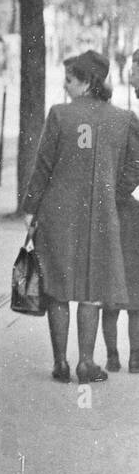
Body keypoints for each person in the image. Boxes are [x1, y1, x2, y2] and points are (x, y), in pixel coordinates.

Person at [21, 50, 139, 383]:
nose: (65, 86)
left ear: (87, 82)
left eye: (70, 79)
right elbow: (135, 166)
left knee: (58, 289)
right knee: (92, 289)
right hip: (102, 214)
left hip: (57, 212)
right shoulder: (124, 119)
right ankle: (86, 363)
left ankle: (60, 363)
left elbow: (42, 167)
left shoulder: (59, 115)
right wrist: (116, 191)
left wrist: (30, 208)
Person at [101, 47, 139, 372]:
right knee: (129, 293)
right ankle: (127, 356)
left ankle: (120, 356)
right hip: (127, 210)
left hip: (123, 211)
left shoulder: (126, 119)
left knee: (115, 295)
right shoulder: (127, 118)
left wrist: (112, 194)